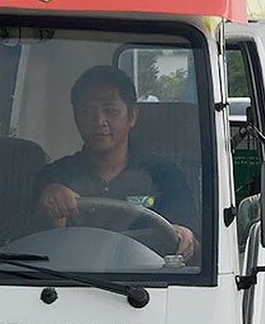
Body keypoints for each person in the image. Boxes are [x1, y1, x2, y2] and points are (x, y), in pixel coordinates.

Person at [33, 65, 198, 258]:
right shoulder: (53, 177)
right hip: (65, 280)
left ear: (132, 116)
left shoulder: (164, 176)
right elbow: (26, 242)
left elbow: (193, 245)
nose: (99, 121)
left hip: (149, 283)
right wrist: (48, 203)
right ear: (76, 117)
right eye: (87, 111)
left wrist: (185, 236)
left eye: (110, 110)